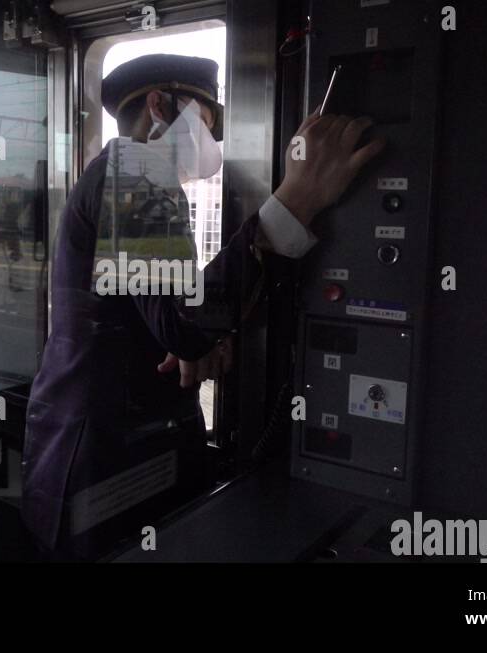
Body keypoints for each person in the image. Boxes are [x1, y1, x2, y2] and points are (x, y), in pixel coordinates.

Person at [21, 53, 384, 558]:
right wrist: (294, 202)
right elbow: (182, 324)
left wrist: (206, 334)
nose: (212, 143)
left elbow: (159, 312)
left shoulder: (126, 174)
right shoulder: (136, 171)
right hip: (101, 451)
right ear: (159, 106)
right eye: (206, 123)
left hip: (105, 441)